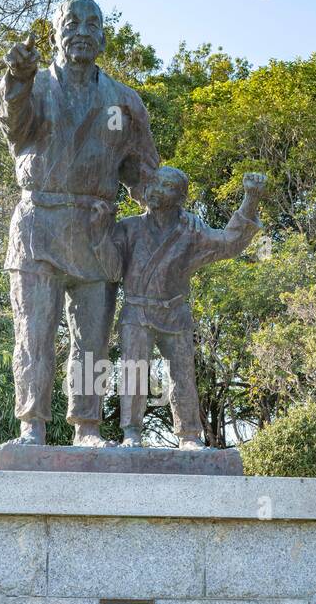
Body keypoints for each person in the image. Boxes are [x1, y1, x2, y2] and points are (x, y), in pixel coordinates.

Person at [0, 0, 159, 446]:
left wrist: (168, 212)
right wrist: (17, 78)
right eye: (71, 23)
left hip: (96, 231)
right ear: (55, 34)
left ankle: (87, 427)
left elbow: (143, 175)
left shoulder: (123, 102)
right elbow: (13, 123)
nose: (82, 30)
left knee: (92, 340)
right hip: (38, 227)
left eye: (92, 23)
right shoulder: (34, 85)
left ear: (104, 36)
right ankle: (32, 426)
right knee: (33, 334)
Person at [90, 168, 266, 448]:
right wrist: (100, 232)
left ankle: (188, 435)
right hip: (137, 312)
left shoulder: (192, 228)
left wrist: (250, 199)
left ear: (181, 196)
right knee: (133, 372)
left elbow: (229, 243)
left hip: (175, 312)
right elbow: (111, 270)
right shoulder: (129, 227)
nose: (157, 189)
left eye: (168, 186)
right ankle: (131, 432)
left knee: (183, 375)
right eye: (155, 183)